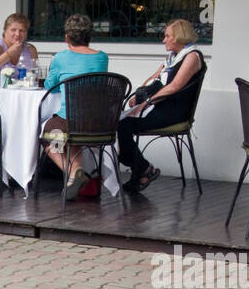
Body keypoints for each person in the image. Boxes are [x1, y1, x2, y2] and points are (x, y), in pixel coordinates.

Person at [116, 18, 205, 192]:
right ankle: (140, 168)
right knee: (119, 121)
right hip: (160, 107)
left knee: (124, 125)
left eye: (167, 36)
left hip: (174, 111)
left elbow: (175, 86)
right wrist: (140, 94)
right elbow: (155, 77)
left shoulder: (192, 56)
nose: (163, 40)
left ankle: (142, 168)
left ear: (179, 37)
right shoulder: (172, 58)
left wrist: (148, 102)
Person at [40, 13, 109, 200]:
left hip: (69, 121)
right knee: (71, 134)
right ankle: (76, 176)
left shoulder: (61, 58)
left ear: (67, 38)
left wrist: (55, 63)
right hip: (98, 123)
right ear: (90, 37)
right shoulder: (102, 57)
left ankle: (74, 172)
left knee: (50, 135)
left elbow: (49, 85)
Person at [0, 13, 38, 93]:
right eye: (13, 30)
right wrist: (8, 54)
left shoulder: (31, 49)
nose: (17, 34)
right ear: (5, 31)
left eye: (22, 30)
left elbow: (34, 76)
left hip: (16, 97)